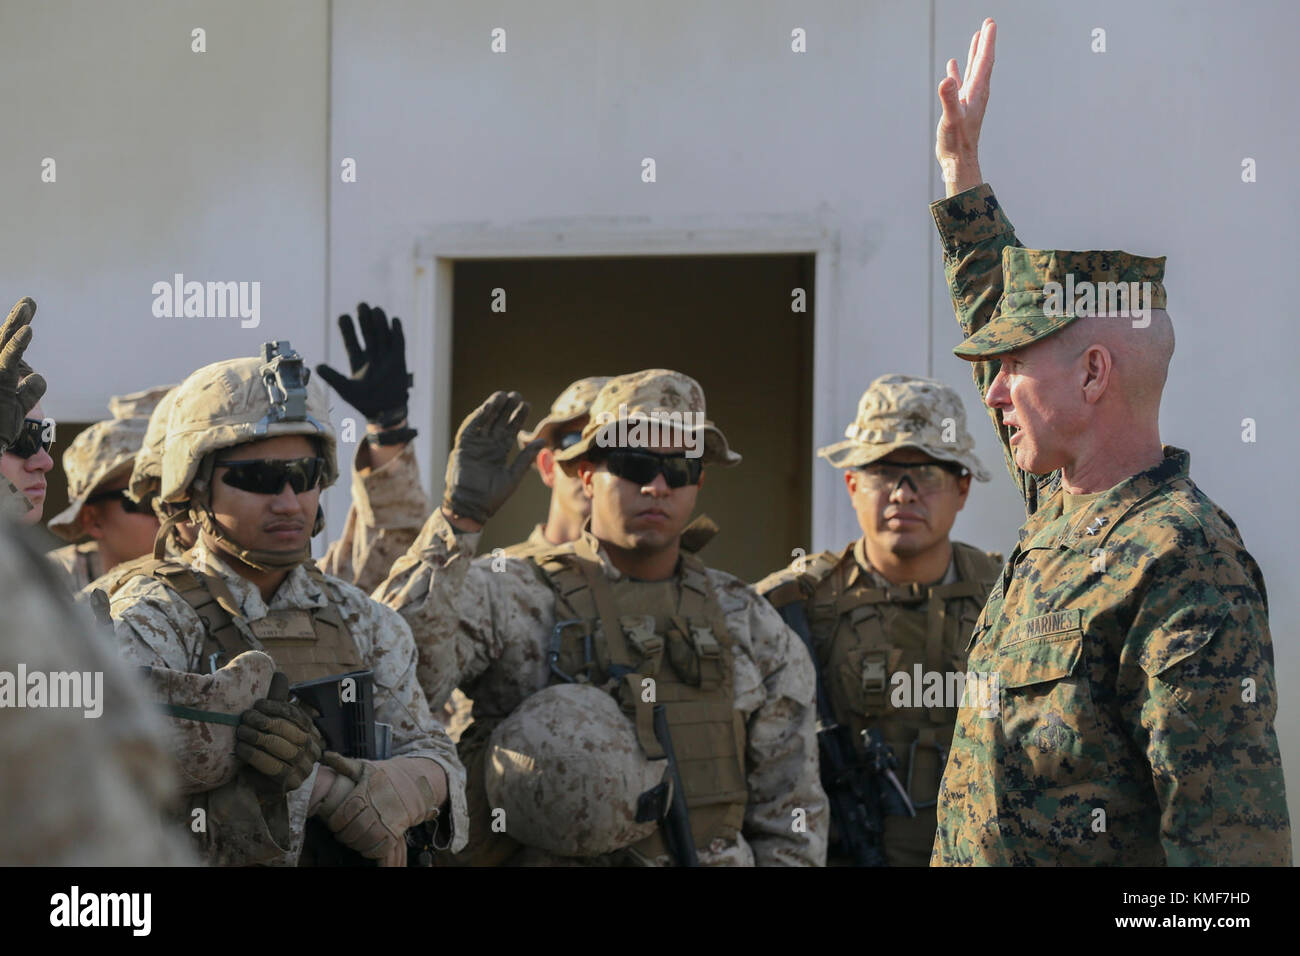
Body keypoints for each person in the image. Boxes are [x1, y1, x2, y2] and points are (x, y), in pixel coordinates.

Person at [927, 17, 1290, 865]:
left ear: (1093, 376)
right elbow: (994, 309)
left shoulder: (1181, 558)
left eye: (1012, 367)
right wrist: (960, 169)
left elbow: (1228, 847)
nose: (992, 390)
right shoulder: (1063, 504)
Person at [375, 369, 828, 866]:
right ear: (587, 474)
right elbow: (392, 684)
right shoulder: (512, 593)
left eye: (678, 468)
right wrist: (457, 525)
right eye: (635, 464)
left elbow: (790, 813)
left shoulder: (749, 621)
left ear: (698, 481)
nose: (657, 486)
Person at [108, 340, 467, 866]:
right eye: (257, 479)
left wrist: (382, 792)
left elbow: (437, 757)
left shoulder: (360, 618)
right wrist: (320, 789)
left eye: (304, 477)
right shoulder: (154, 616)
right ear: (196, 488)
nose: (288, 501)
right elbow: (120, 773)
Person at [755, 374, 1001, 865]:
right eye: (884, 472)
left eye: (927, 473)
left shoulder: (1009, 596)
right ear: (851, 484)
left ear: (962, 488)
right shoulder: (792, 607)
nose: (904, 493)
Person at [46, 414, 159, 591]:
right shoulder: (44, 583)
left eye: (175, 494)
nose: (167, 511)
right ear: (93, 520)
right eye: (145, 500)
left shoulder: (204, 573)